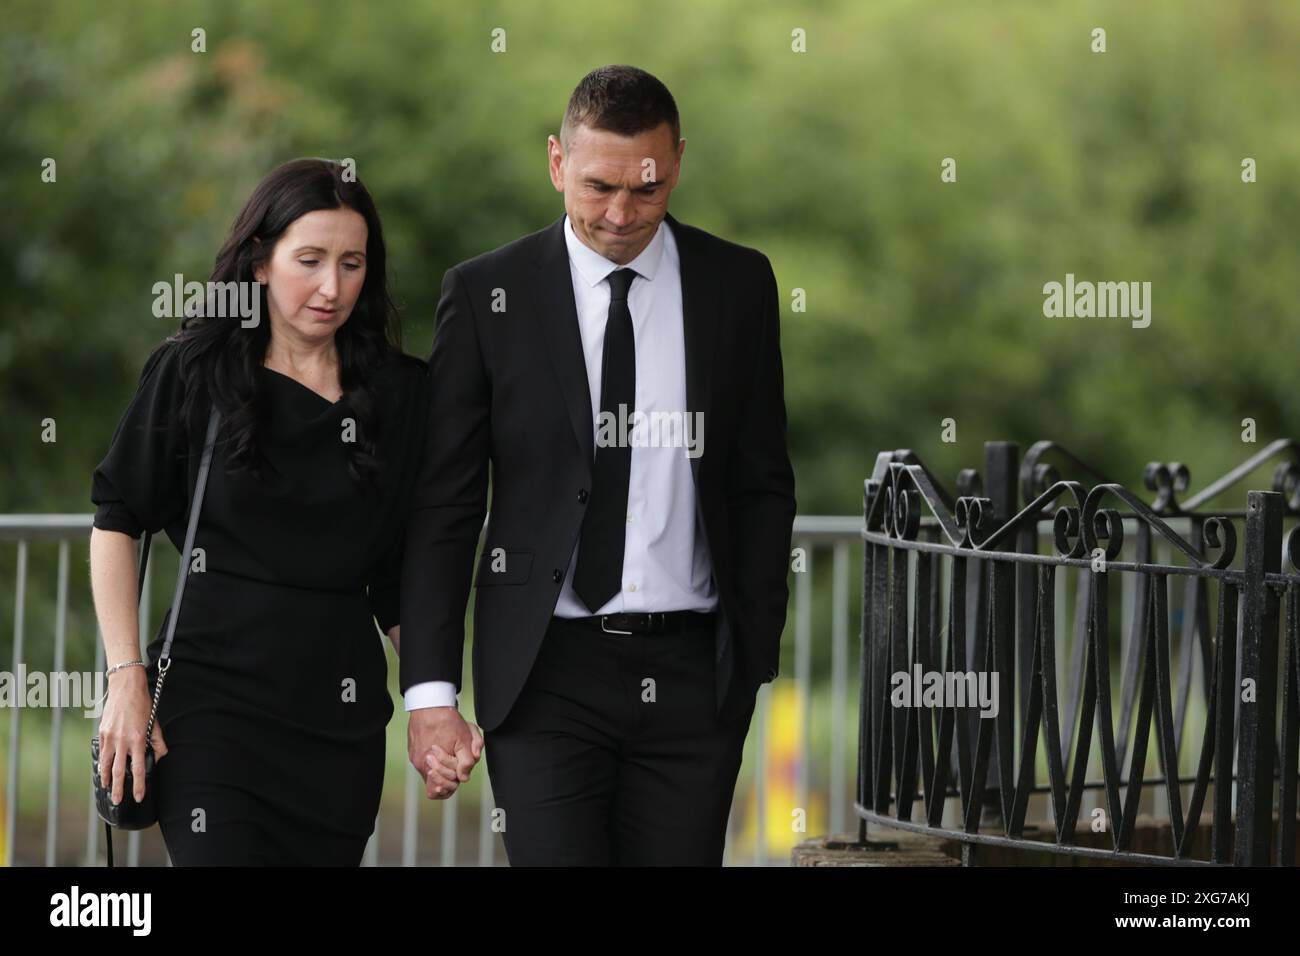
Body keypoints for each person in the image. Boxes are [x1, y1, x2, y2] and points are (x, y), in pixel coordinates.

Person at [400, 65, 797, 865]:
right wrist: (432, 694)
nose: (621, 214)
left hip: (696, 676)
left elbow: (762, 481)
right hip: (545, 671)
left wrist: (750, 655)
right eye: (597, 186)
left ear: (676, 163)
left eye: (645, 190)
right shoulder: (486, 294)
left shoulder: (738, 285)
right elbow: (444, 504)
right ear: (556, 163)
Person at [90, 158, 428, 865]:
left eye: (352, 263)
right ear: (260, 262)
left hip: (339, 723)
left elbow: (401, 577)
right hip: (212, 707)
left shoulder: (403, 396)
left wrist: (437, 704)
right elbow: (118, 517)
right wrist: (126, 678)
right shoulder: (193, 371)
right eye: (309, 260)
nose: (332, 287)